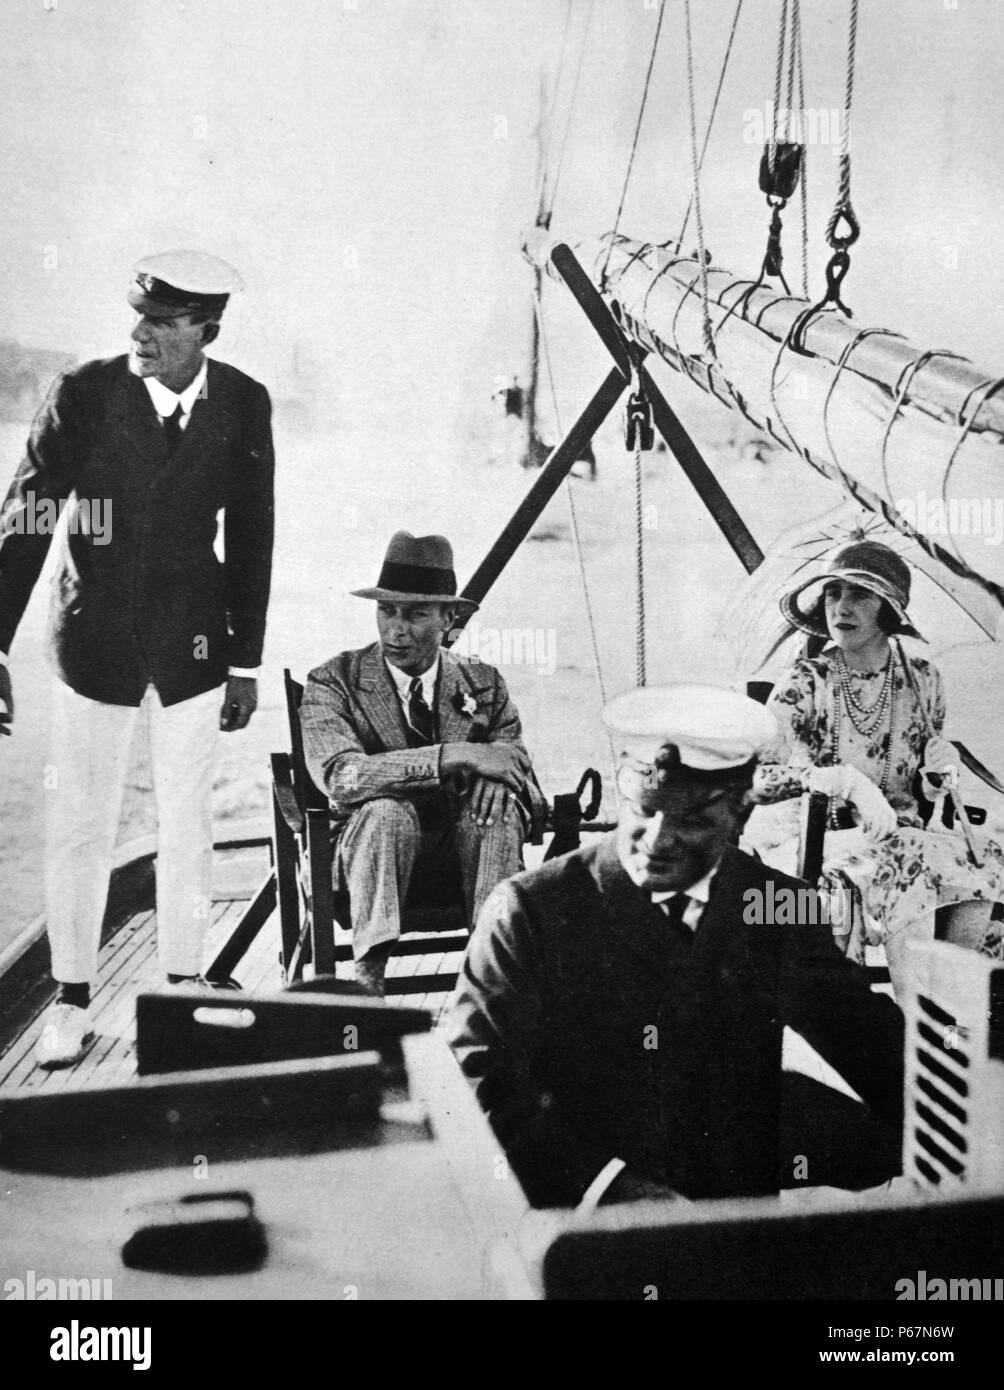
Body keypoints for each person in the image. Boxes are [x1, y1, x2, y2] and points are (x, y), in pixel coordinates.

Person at [447, 684, 905, 1210]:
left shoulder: (778, 904)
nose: (658, 840)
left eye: (691, 820)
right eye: (644, 811)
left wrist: (975, 1128)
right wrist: (613, 1190)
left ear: (740, 815)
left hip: (732, 1218)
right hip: (581, 1232)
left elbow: (864, 1036)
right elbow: (479, 1082)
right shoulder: (530, 910)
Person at [0, 251, 275, 1067]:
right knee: (81, 821)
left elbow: (254, 533)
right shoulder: (84, 394)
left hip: (193, 647)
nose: (139, 333)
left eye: (161, 322)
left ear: (205, 330)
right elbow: (28, 516)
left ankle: (183, 986)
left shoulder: (242, 402)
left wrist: (246, 660)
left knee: (187, 823)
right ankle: (72, 1000)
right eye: (138, 316)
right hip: (94, 642)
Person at [742, 539, 1004, 1000]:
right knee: (912, 859)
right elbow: (756, 779)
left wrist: (941, 772)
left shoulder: (922, 680)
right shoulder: (806, 682)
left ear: (889, 609)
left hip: (897, 836)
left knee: (989, 861)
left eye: (859, 594)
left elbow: (925, 795)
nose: (840, 607)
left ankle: (947, 1003)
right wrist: (837, 780)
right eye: (832, 593)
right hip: (816, 840)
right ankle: (913, 1017)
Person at [300, 530, 546, 995]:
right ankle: (369, 979)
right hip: (367, 858)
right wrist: (453, 755)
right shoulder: (334, 681)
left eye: (415, 614)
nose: (396, 629)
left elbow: (519, 768)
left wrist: (504, 786)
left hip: (461, 857)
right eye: (386, 610)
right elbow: (343, 777)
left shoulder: (483, 683)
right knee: (387, 812)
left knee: (492, 810)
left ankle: (490, 975)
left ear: (448, 618)